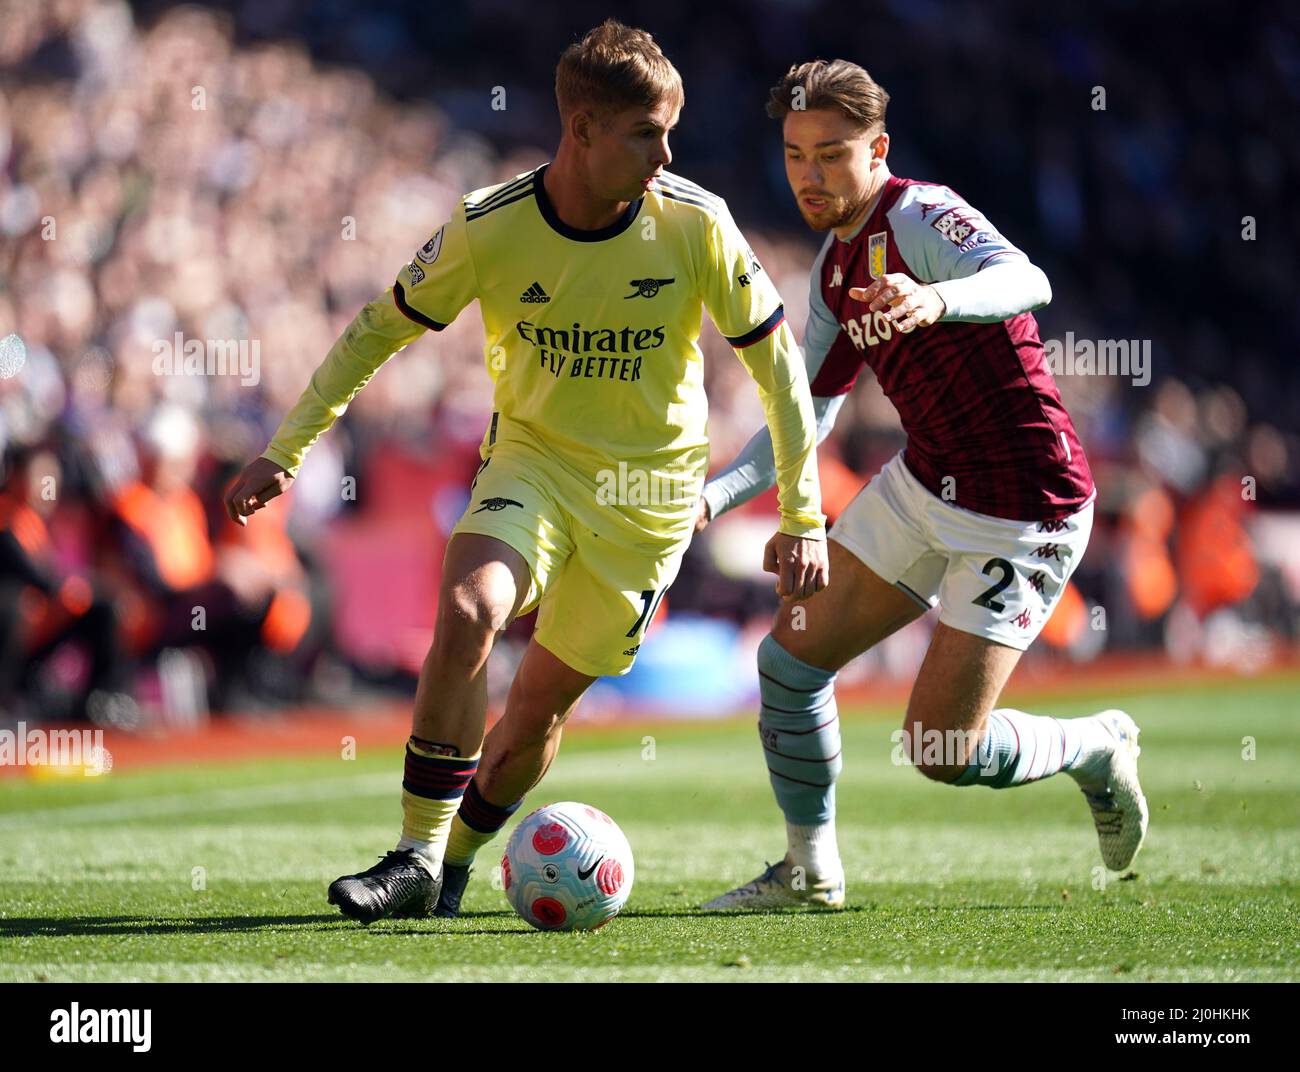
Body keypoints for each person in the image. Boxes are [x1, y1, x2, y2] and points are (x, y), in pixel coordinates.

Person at [223, 20, 828, 924]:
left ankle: (458, 860)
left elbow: (781, 373)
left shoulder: (696, 224)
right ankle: (414, 853)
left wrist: (804, 515)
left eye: (672, 131)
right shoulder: (489, 226)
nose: (667, 154)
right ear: (580, 129)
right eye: (644, 133)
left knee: (535, 715)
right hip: (532, 465)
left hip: (650, 503)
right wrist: (288, 447)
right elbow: (375, 331)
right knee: (470, 608)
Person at [698, 59, 1147, 910]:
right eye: (795, 154)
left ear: (879, 149)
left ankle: (1095, 746)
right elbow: (810, 416)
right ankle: (808, 871)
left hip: (1025, 503)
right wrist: (715, 498)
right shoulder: (832, 269)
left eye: (832, 152)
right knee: (788, 662)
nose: (810, 174)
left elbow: (1029, 280)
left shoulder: (924, 213)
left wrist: (938, 301)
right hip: (923, 484)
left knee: (943, 750)